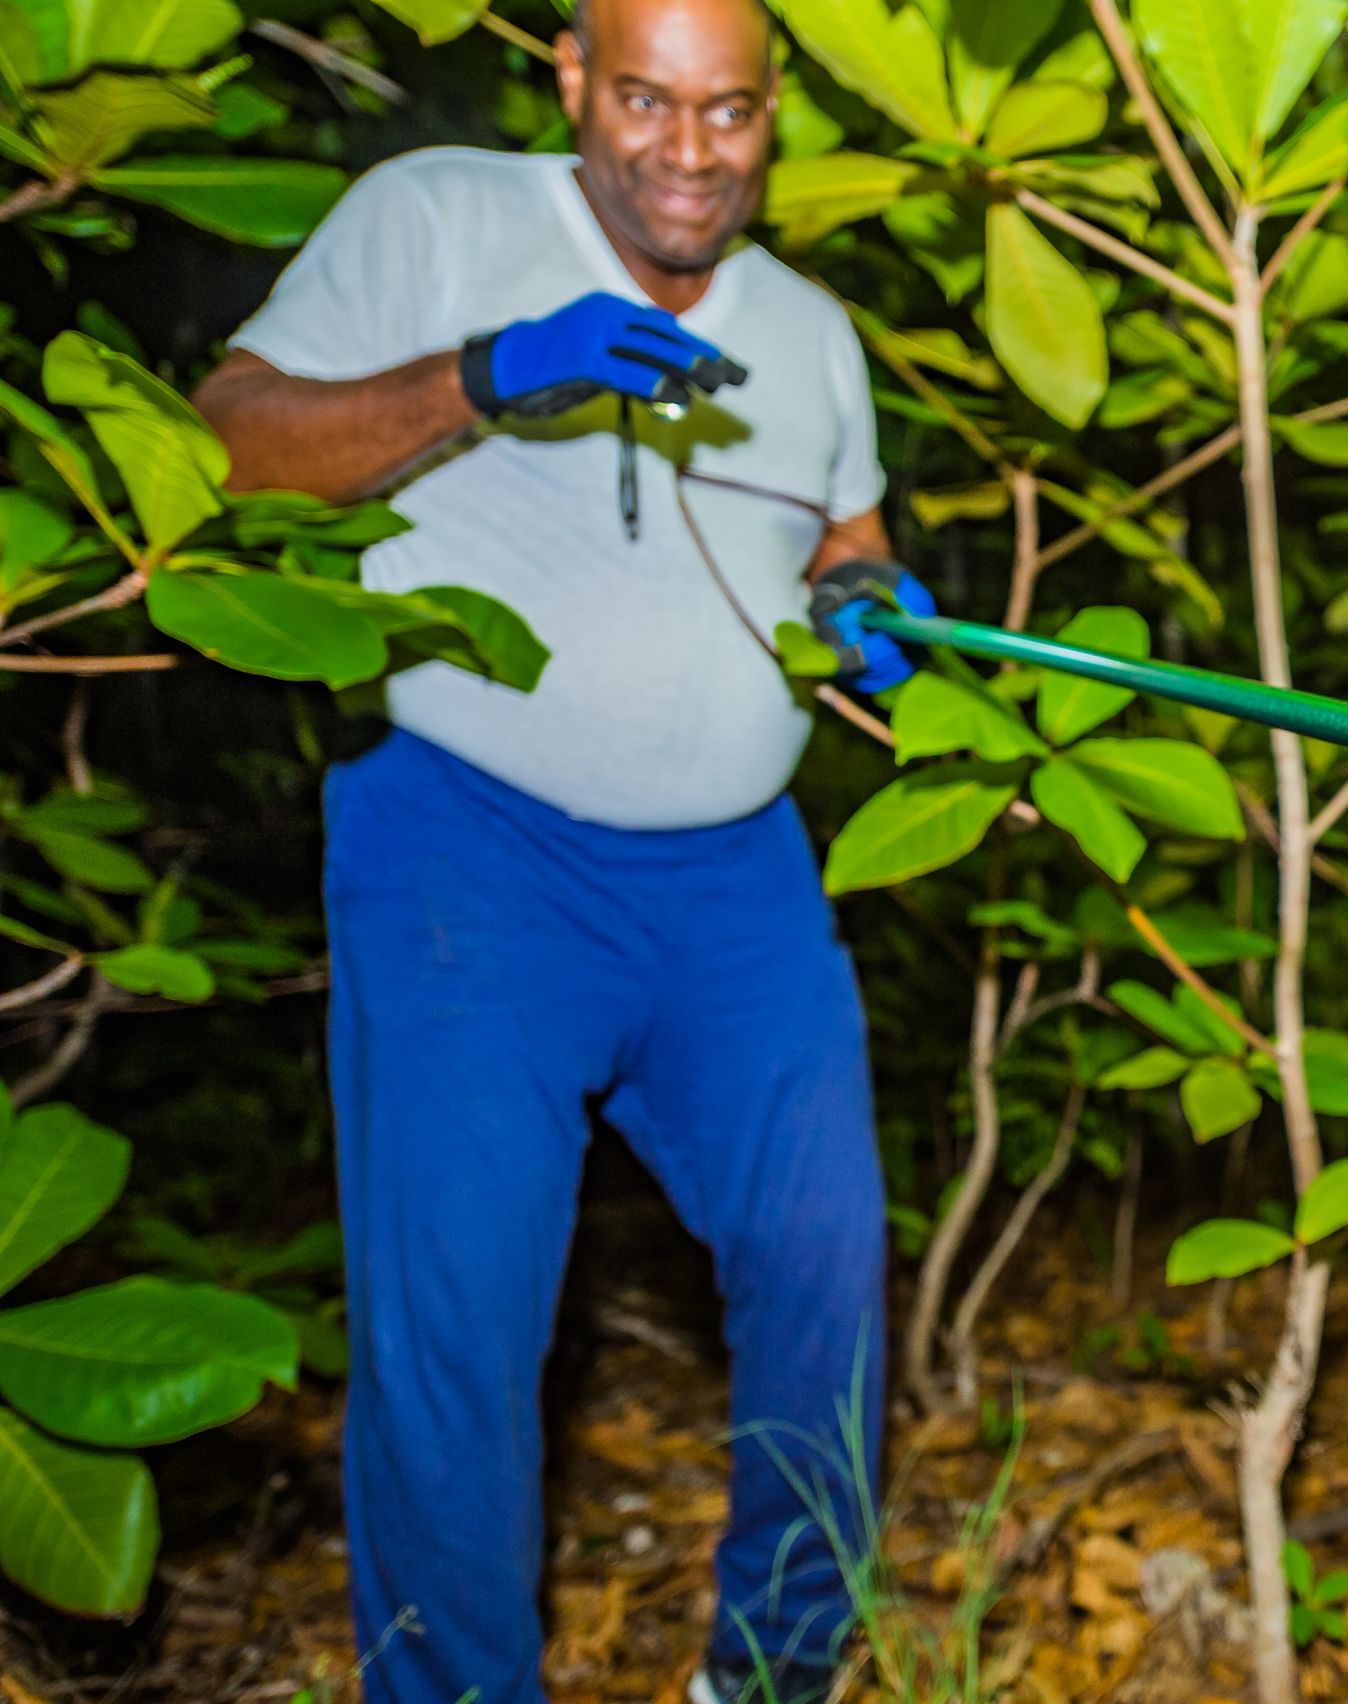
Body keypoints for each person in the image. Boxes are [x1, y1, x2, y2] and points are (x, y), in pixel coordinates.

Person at [191, 0, 924, 1698]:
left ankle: (775, 1674)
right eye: (648, 100)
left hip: (739, 880)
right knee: (456, 1323)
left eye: (730, 111)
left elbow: (848, 531)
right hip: (468, 849)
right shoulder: (436, 213)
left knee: (824, 1270)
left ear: (775, 114)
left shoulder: (810, 330)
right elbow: (224, 446)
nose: (690, 152)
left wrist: (869, 601)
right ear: (576, 78)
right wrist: (482, 375)